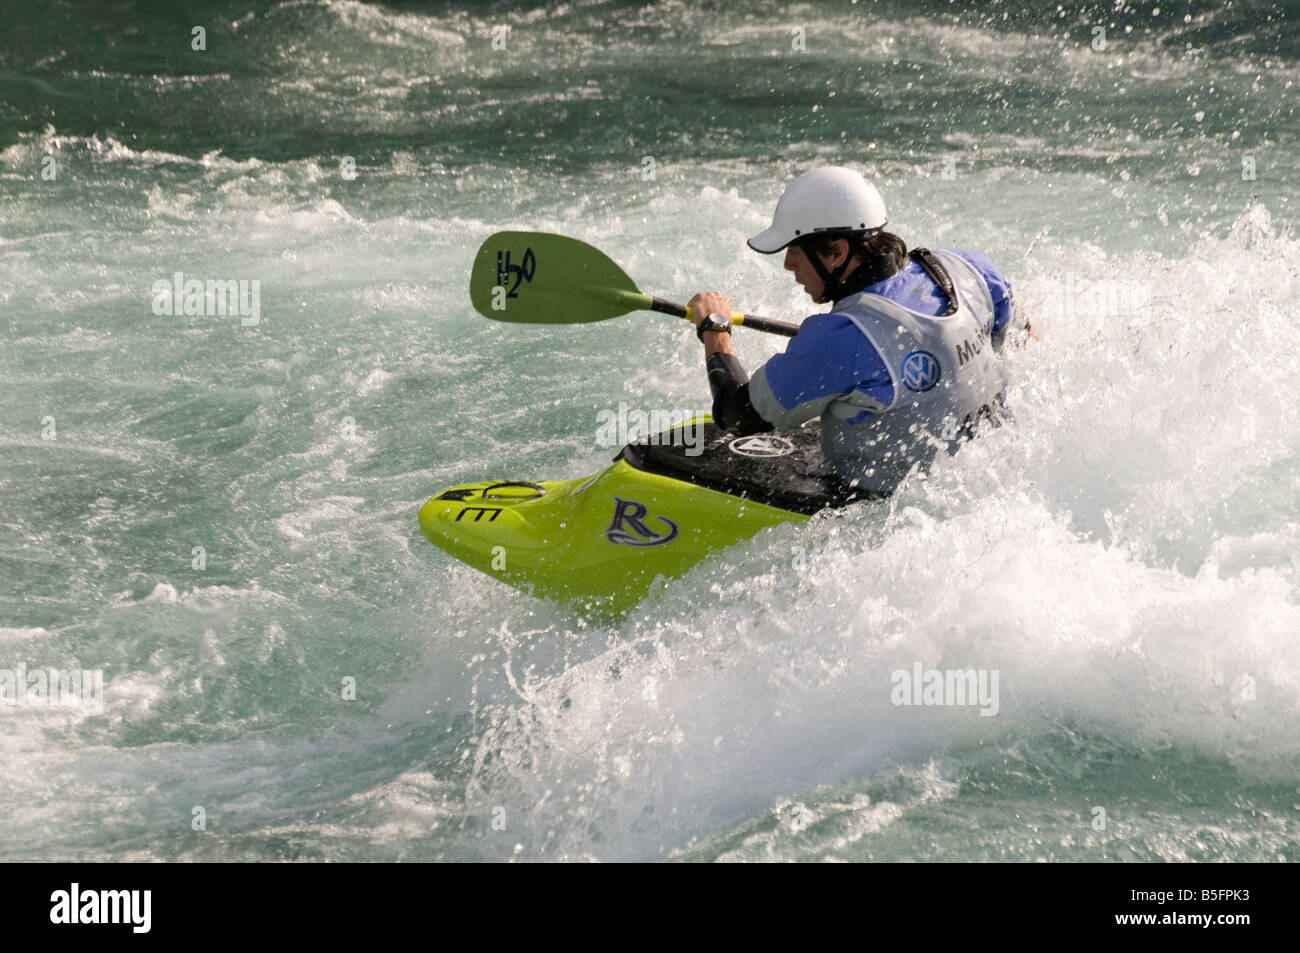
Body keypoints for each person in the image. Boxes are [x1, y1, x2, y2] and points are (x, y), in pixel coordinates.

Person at [687, 166, 1017, 495]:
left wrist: (714, 327)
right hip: (990, 471)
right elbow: (1016, 333)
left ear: (839, 252)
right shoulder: (966, 267)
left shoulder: (840, 338)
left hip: (887, 509)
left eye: (795, 250)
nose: (788, 264)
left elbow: (739, 414)